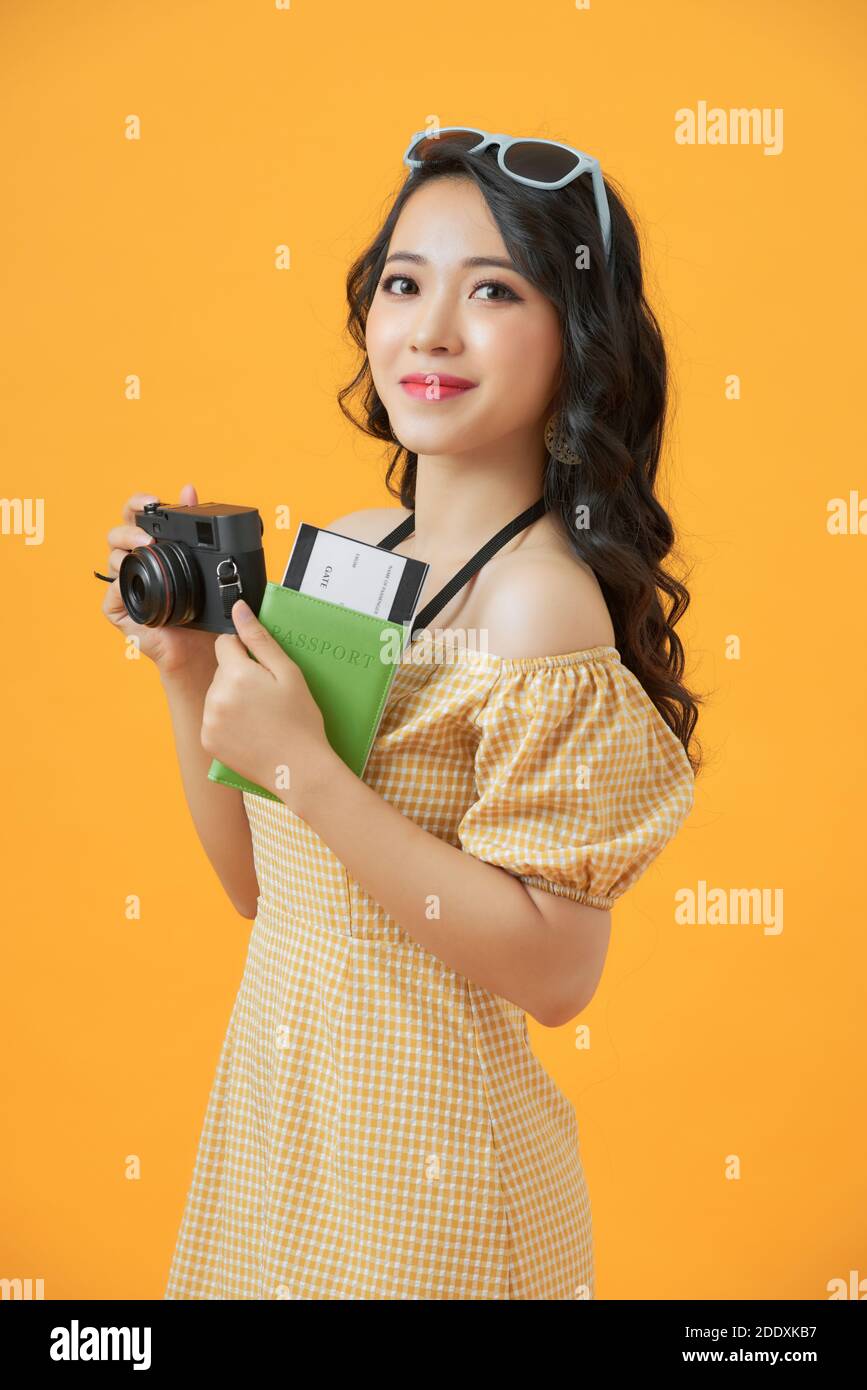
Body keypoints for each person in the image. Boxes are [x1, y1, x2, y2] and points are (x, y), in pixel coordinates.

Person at [100, 127, 702, 1300]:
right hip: (289, 1140)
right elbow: (272, 894)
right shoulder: (344, 556)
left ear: (579, 341)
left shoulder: (540, 607)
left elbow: (557, 974)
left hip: (439, 1186)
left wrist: (314, 771)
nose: (430, 330)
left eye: (492, 290)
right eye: (403, 283)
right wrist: (187, 671)